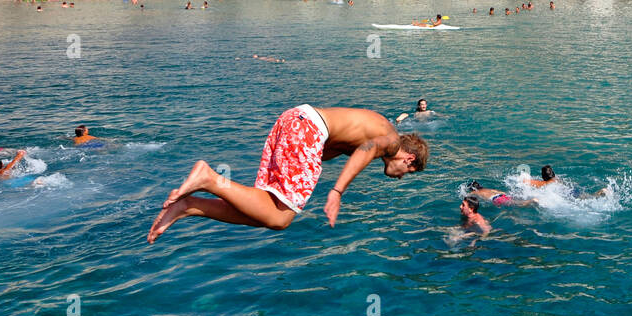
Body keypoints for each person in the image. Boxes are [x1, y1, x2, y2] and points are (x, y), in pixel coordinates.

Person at [147, 104, 429, 242]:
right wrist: (337, 192)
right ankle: (208, 179)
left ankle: (191, 206)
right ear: (410, 159)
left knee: (267, 212)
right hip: (308, 130)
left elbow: (340, 147)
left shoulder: (379, 127)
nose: (400, 177)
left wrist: (309, 164)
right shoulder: (391, 141)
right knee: (281, 218)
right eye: (407, 173)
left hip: (293, 119)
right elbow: (367, 149)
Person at [466, 179, 535, 208]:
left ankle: (531, 201)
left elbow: (467, 196)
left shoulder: (475, 192)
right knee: (514, 201)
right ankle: (530, 200)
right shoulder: (487, 189)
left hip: (497, 199)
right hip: (501, 195)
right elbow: (500, 192)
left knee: (518, 204)